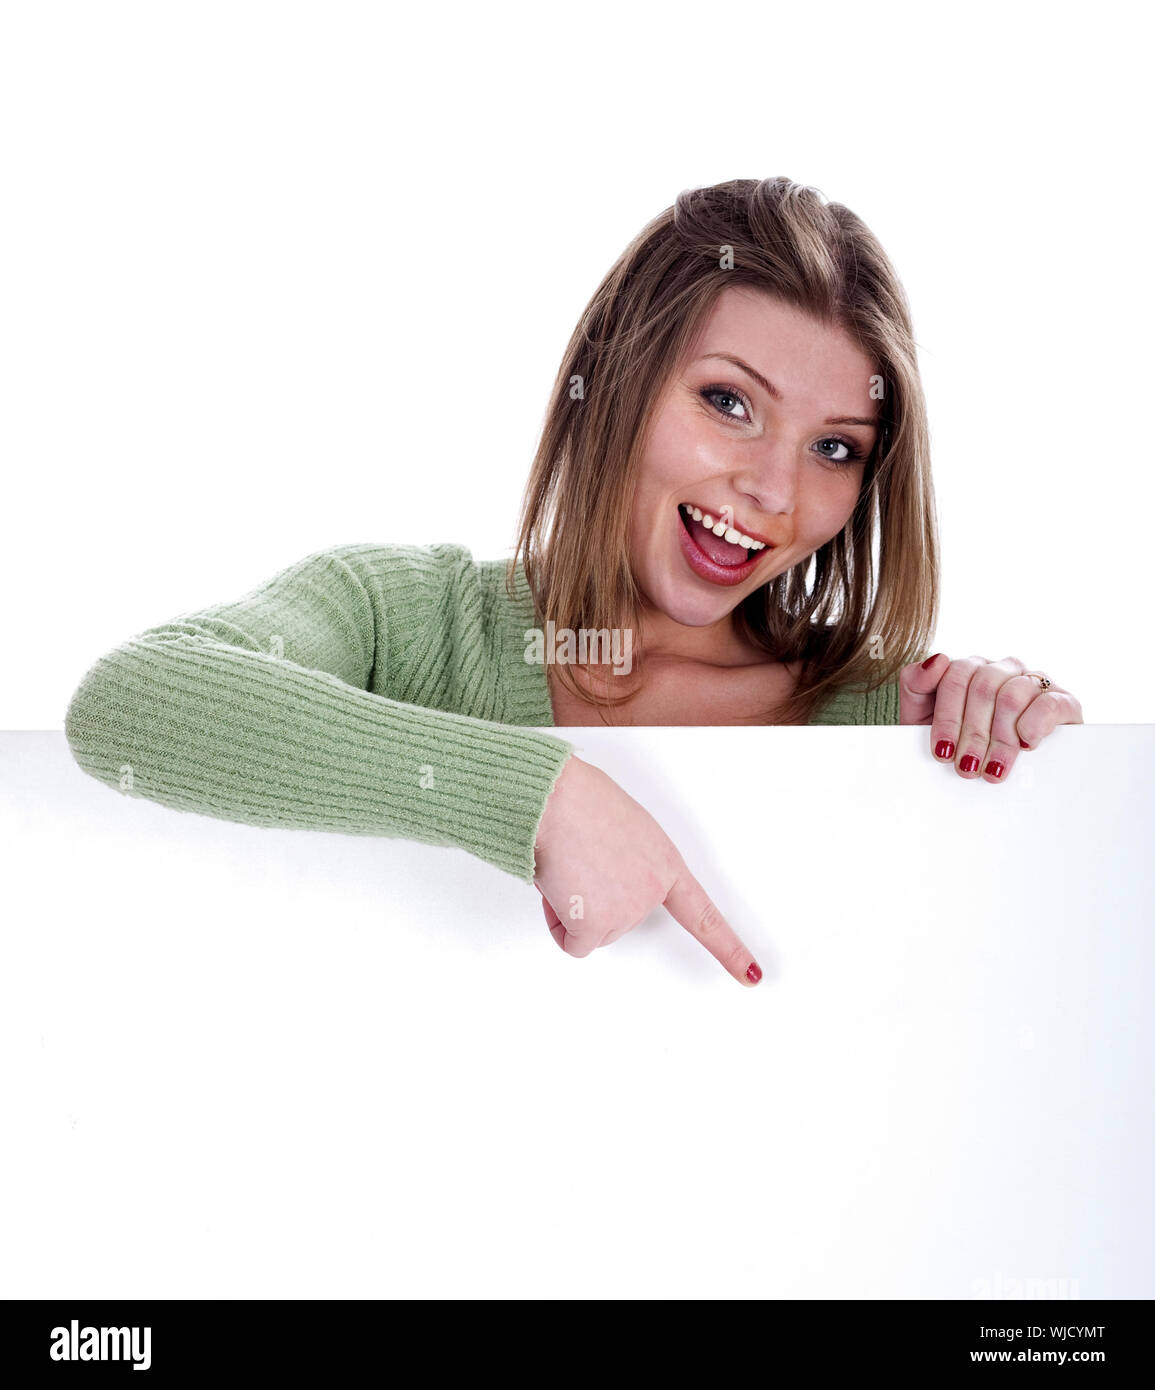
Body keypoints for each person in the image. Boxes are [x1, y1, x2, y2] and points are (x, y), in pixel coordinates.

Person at [63, 176, 1083, 987]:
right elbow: (131, 704)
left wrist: (1027, 730)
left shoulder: (886, 714)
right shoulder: (409, 618)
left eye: (834, 448)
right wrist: (539, 799)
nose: (773, 491)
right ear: (618, 378)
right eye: (728, 402)